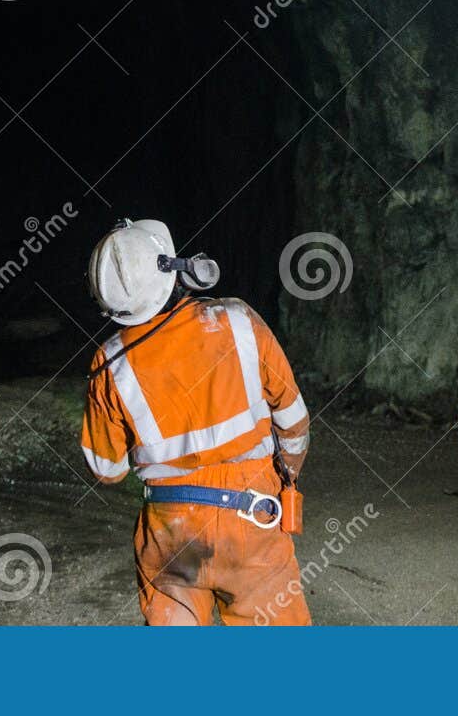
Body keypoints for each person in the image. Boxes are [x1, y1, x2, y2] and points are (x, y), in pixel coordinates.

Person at [81, 218, 311, 625]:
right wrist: (287, 477)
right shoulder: (237, 321)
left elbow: (107, 470)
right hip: (251, 522)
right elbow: (294, 421)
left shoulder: (109, 365)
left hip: (171, 537)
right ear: (173, 270)